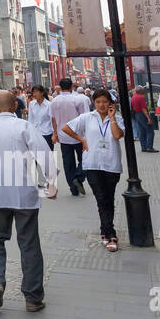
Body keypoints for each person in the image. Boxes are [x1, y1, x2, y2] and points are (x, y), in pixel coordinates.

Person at [0, 91, 57, 310]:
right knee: (29, 243)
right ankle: (32, 297)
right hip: (23, 193)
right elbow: (44, 153)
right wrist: (51, 180)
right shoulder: (24, 126)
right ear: (14, 106)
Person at [62, 89, 126, 252]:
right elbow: (66, 128)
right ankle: (110, 234)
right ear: (94, 103)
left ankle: (104, 231)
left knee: (108, 198)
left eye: (104, 102)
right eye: (98, 102)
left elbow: (118, 136)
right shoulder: (87, 118)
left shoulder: (118, 119)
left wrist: (112, 119)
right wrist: (82, 139)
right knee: (101, 198)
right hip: (92, 164)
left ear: (110, 103)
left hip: (111, 164)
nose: (101, 105)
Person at [50, 78, 89, 196]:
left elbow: (53, 118)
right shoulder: (78, 99)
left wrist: (55, 133)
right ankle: (78, 177)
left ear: (60, 87)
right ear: (72, 86)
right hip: (78, 135)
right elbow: (85, 117)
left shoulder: (54, 101)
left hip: (63, 135)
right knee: (86, 159)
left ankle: (73, 188)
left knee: (68, 162)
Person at [27, 85, 54, 150]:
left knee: (48, 156)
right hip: (36, 134)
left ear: (42, 93)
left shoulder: (49, 105)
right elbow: (30, 119)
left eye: (36, 92)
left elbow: (52, 120)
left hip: (47, 133)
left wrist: (54, 134)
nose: (34, 94)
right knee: (38, 156)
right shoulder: (31, 104)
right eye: (33, 92)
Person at [130, 88, 156, 153]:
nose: (144, 91)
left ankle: (143, 147)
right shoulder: (141, 97)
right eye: (143, 90)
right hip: (142, 114)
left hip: (136, 114)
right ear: (141, 91)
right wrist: (148, 118)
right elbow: (144, 108)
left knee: (141, 132)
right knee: (150, 131)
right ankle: (149, 147)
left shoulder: (133, 97)